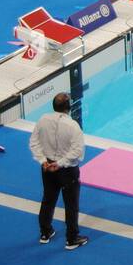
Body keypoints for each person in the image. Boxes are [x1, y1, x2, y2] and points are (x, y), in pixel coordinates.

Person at [30, 93, 88, 250]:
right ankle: (71, 238)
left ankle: (45, 232)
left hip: (47, 168)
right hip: (67, 170)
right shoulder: (73, 126)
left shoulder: (43, 119)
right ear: (69, 107)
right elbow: (77, 151)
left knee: (48, 199)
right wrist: (60, 163)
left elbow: (34, 143)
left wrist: (43, 161)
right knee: (71, 204)